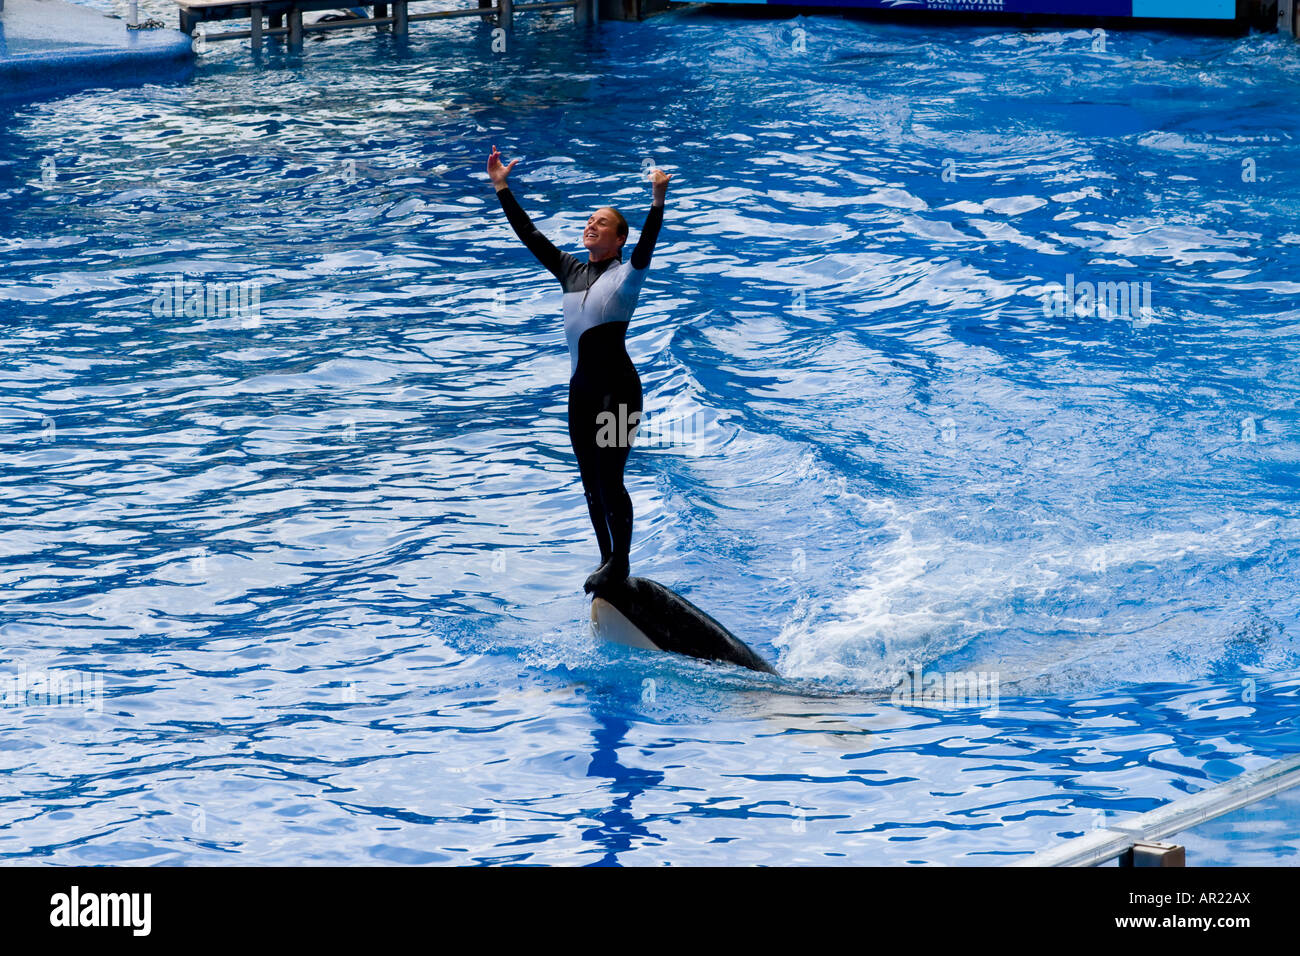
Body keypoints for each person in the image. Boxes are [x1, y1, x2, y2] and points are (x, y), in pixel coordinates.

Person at [487, 145, 671, 594]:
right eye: (590, 220)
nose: (591, 225)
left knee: (610, 477)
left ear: (619, 239)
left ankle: (620, 563)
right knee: (590, 481)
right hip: (581, 392)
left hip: (619, 392)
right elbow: (530, 235)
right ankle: (606, 559)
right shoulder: (569, 270)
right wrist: (502, 187)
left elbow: (648, 243)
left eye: (601, 222)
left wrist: (657, 202)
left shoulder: (629, 274)